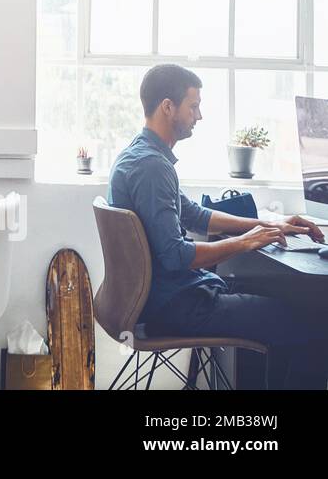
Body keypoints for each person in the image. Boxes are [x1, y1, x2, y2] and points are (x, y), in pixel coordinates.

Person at [108, 63, 328, 388]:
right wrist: (246, 242)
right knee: (302, 322)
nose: (199, 116)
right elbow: (175, 255)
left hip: (160, 299)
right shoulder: (153, 168)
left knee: (279, 298)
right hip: (176, 306)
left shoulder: (140, 157)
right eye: (193, 106)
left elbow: (196, 215)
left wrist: (269, 224)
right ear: (168, 107)